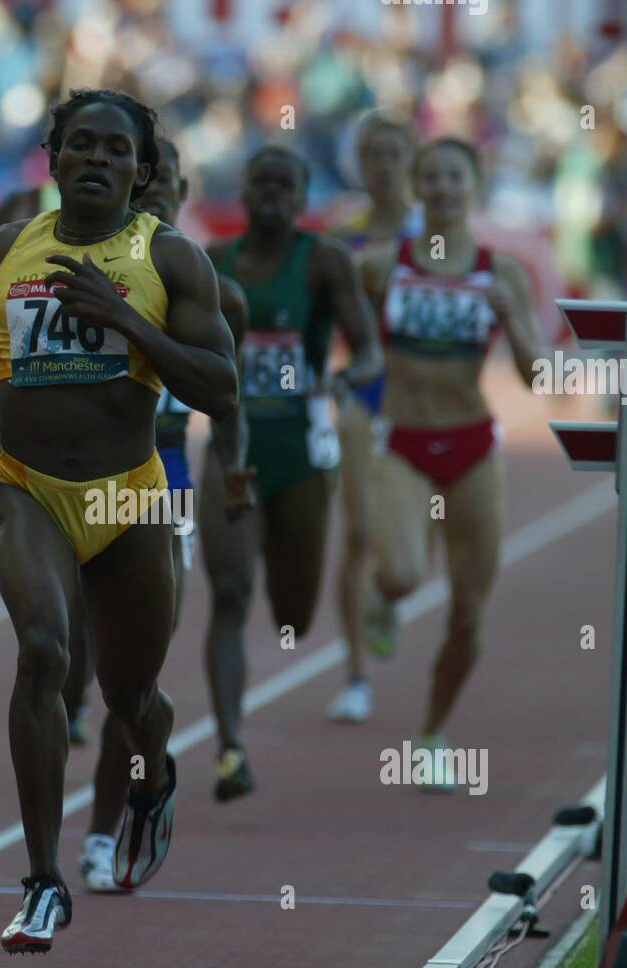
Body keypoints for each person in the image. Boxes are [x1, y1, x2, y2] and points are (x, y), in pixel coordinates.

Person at [0, 89, 238, 952]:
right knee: (47, 657)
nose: (98, 159)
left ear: (141, 173)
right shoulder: (2, 249)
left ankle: (156, 764)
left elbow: (220, 387)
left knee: (131, 696)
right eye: (82, 145)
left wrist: (124, 318)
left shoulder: (172, 260)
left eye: (116, 150)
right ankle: (43, 879)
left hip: (127, 493)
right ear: (53, 159)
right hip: (25, 486)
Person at [77, 137, 252, 892]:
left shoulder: (204, 282)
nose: (150, 195)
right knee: (55, 663)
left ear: (183, 191)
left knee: (128, 678)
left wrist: (237, 463)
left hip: (161, 483)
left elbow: (228, 393)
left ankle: (99, 830)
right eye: (139, 182)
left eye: (164, 184)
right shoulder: (68, 266)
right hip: (66, 477)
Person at [361, 137, 543, 789]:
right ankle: (383, 598)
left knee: (468, 611)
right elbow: (344, 337)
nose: (441, 188)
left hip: (472, 445)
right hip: (405, 440)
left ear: (475, 184)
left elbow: (538, 376)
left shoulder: (503, 271)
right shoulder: (384, 266)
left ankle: (432, 734)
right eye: (430, 177)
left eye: (453, 177)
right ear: (416, 187)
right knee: (405, 573)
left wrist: (513, 325)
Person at [201, 146, 380, 802]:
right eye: (261, 181)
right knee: (228, 592)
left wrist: (341, 379)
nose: (272, 192)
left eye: (286, 183)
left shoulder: (324, 260)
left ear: (303, 197)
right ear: (243, 190)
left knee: (294, 615)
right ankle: (229, 747)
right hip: (232, 452)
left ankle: (293, 585)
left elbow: (366, 352)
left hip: (303, 453)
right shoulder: (214, 263)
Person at [0, 180, 102, 749]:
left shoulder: (125, 225)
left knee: (84, 581)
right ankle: (12, 528)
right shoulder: (15, 211)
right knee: (50, 568)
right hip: (16, 417)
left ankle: (76, 696)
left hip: (97, 431)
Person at [326, 114, 424, 723]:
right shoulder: (343, 237)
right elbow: (324, 317)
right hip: (364, 394)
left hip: (424, 400)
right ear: (359, 165)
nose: (383, 166)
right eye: (373, 155)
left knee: (407, 551)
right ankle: (355, 676)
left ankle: (391, 596)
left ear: (409, 161)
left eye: (394, 154)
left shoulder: (433, 232)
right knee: (358, 534)